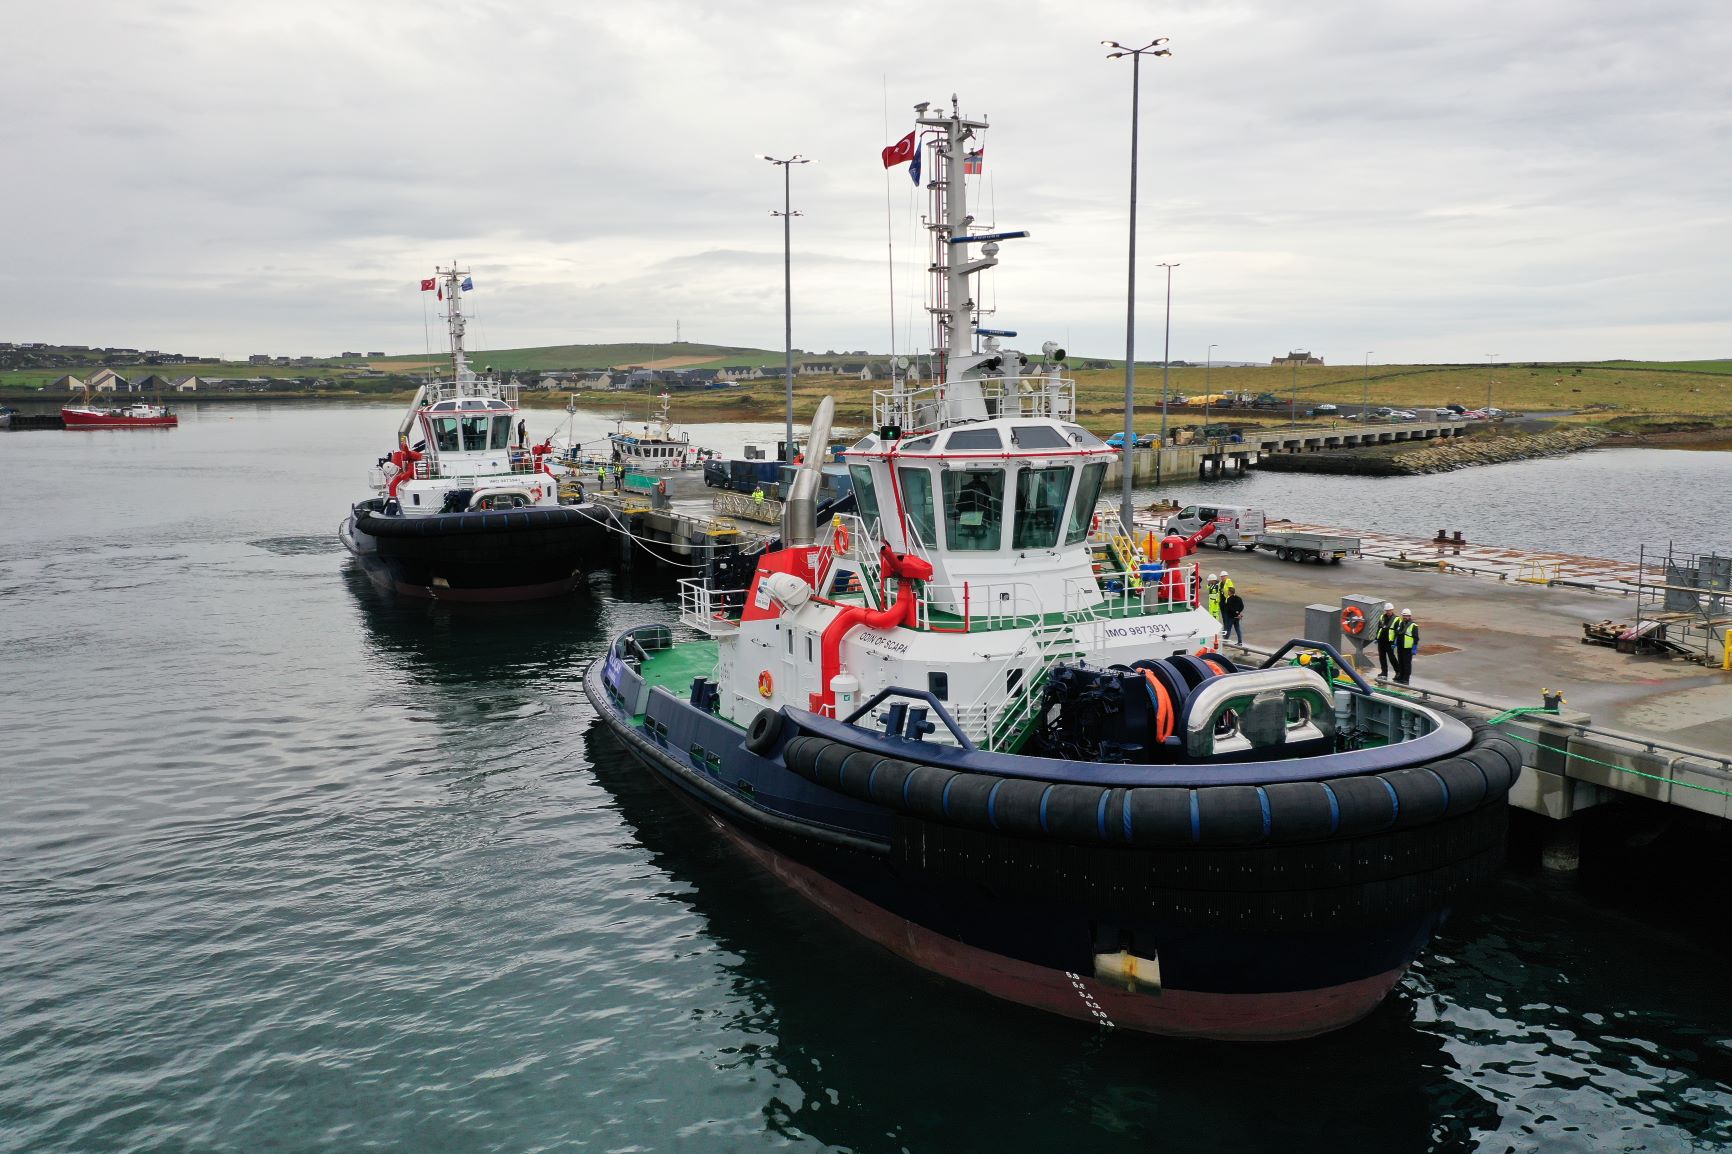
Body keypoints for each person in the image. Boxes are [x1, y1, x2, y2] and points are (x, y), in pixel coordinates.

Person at [1394, 608, 1420, 684]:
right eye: (1403, 615)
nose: (1405, 617)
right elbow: (1398, 633)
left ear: (1409, 616)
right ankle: (1401, 677)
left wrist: (1414, 648)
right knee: (1401, 662)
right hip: (1400, 646)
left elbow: (1416, 638)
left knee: (1406, 663)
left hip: (1408, 648)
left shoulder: (1413, 625)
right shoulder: (1401, 623)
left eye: (1406, 616)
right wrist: (1395, 642)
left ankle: (1406, 679)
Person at [1375, 602, 1397, 679]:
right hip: (1381, 640)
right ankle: (1384, 672)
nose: (1388, 612)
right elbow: (1379, 628)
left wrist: (1395, 642)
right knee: (1382, 657)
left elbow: (1397, 632)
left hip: (1389, 641)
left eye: (1389, 610)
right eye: (1387, 610)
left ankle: (1398, 672)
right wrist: (1376, 638)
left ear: (1392, 610)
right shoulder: (1382, 617)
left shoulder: (1396, 619)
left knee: (1391, 657)